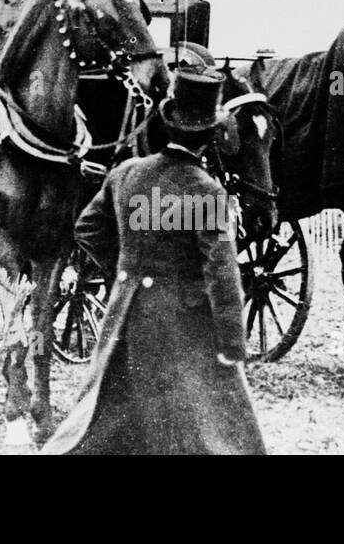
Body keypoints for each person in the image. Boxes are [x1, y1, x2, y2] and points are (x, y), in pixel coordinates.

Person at [42, 69, 266, 455]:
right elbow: (221, 269)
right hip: (185, 323)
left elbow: (88, 228)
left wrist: (125, 270)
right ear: (211, 135)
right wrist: (232, 341)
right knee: (214, 423)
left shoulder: (126, 174)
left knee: (109, 408)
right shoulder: (205, 191)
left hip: (124, 314)